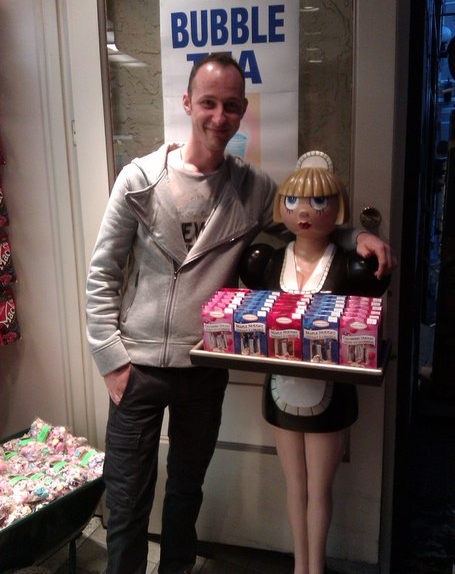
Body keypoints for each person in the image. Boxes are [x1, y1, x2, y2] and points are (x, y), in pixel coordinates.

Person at [85, 53, 396, 574]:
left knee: (186, 494)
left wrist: (357, 235)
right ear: (187, 103)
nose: (219, 116)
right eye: (208, 103)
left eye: (231, 106)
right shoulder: (140, 179)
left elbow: (306, 222)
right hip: (137, 369)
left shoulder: (253, 188)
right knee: (127, 502)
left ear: (242, 111)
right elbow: (102, 274)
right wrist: (111, 361)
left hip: (203, 365)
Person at [239, 160, 390, 574]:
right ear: (281, 206)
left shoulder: (349, 265)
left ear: (337, 207)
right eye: (293, 201)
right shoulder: (267, 260)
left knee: (320, 488)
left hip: (332, 390)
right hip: (280, 387)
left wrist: (361, 236)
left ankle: (315, 568)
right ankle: (298, 566)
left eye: (318, 201)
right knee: (294, 486)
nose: (304, 211)